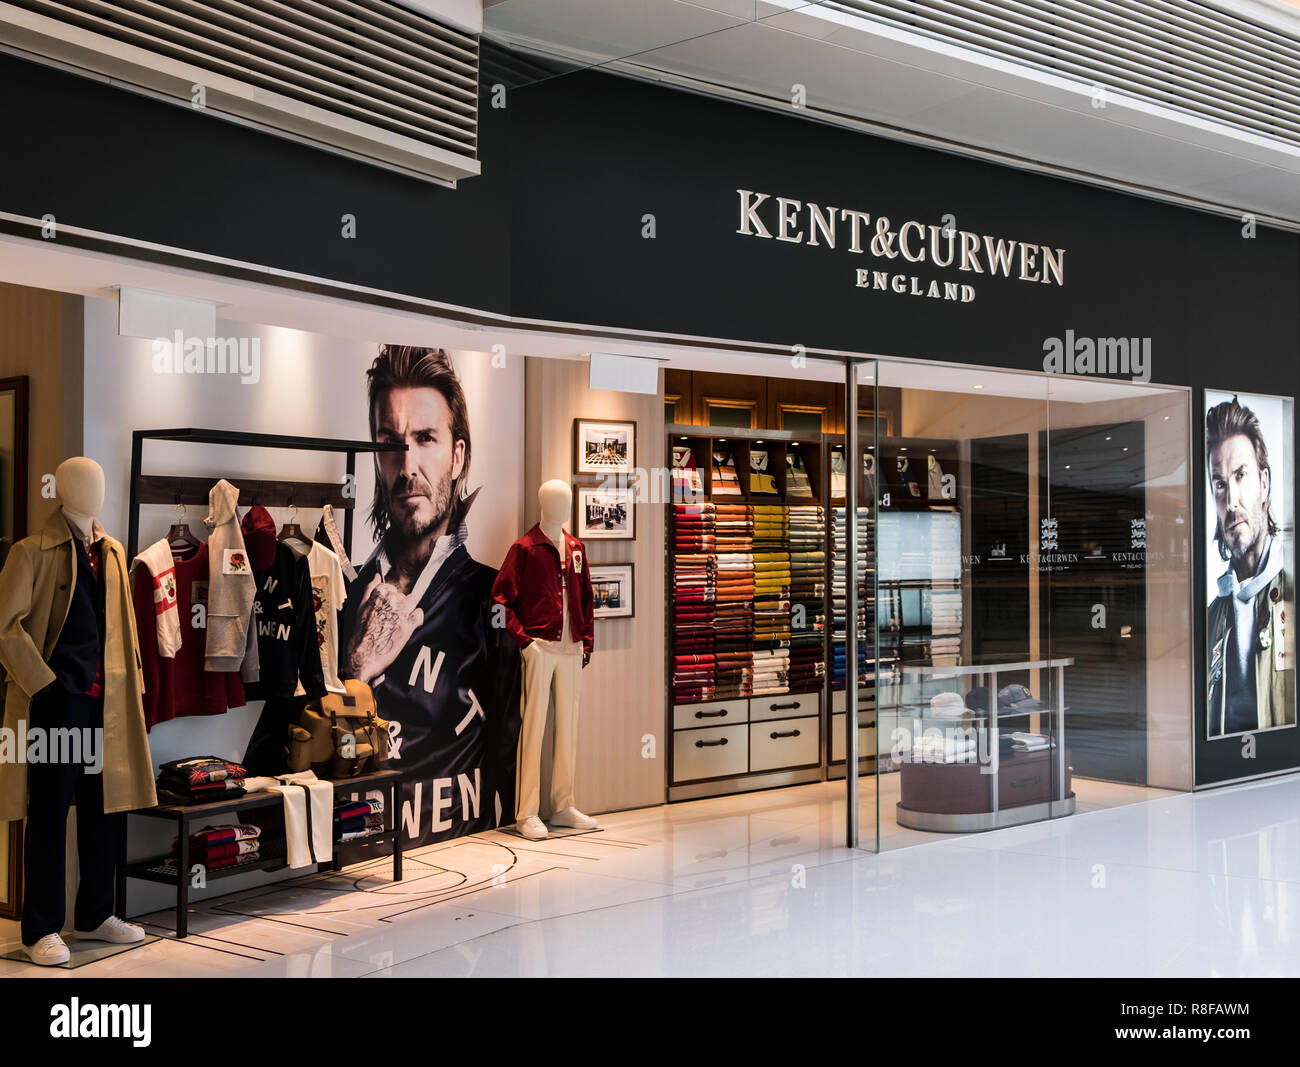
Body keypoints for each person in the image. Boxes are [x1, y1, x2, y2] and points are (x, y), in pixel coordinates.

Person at [341, 345, 519, 845]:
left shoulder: (490, 600)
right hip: (350, 870)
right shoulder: (339, 593)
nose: (406, 463)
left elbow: (509, 746)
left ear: (458, 455)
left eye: (425, 439)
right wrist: (356, 671)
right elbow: (273, 754)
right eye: (389, 442)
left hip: (463, 861)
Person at [1206, 396, 1294, 737]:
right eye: (1220, 484)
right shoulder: (1212, 618)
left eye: (1241, 475)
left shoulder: (1291, 596)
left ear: (1265, 483)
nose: (1231, 500)